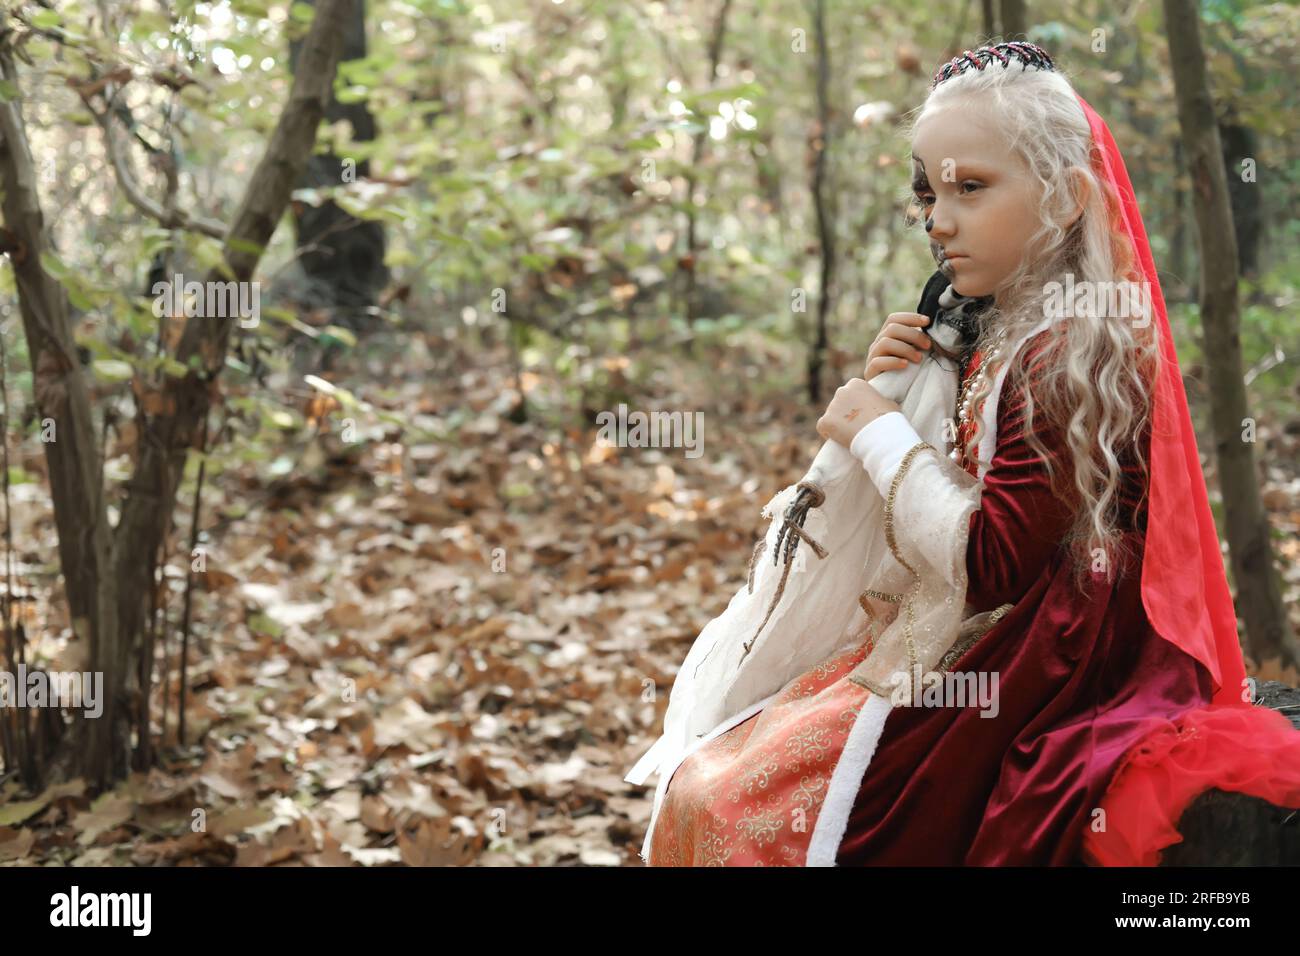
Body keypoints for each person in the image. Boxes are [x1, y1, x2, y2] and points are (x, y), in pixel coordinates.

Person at [632, 41, 1295, 867]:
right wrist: (909, 382)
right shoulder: (1002, 322)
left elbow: (989, 563)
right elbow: (964, 477)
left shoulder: (1068, 350)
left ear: (1066, 198)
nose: (938, 219)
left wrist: (879, 432)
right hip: (980, 634)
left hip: (1046, 657)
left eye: (971, 188)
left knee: (733, 804)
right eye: (929, 191)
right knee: (725, 762)